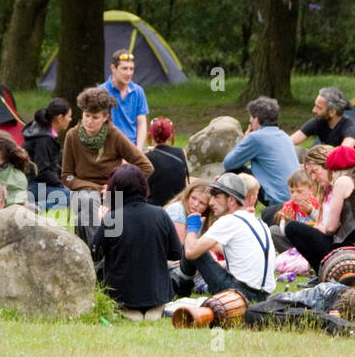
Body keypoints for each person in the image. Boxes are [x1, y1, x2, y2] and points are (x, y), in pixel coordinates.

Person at [61, 87, 154, 242]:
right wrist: (95, 188)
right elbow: (67, 176)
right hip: (83, 190)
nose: (89, 121)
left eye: (95, 117)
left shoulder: (115, 135)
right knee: (88, 200)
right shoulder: (72, 136)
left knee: (106, 208)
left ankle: (103, 252)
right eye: (86, 115)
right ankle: (97, 253)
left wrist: (119, 186)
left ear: (105, 117)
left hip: (112, 191)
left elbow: (146, 167)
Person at [93, 164, 182, 319]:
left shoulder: (112, 218)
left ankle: (131, 312)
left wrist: (101, 221)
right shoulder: (161, 214)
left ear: (115, 189)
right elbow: (176, 253)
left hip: (122, 297)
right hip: (157, 295)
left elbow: (94, 254)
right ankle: (153, 310)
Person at [173, 172, 276, 303]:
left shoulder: (229, 220)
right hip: (263, 296)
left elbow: (191, 252)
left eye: (216, 197)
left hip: (238, 294)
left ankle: (180, 289)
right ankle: (181, 285)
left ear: (231, 200)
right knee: (196, 244)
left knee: (191, 246)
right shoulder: (257, 221)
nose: (211, 202)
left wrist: (192, 226)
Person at [282, 145, 355, 272]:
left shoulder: (343, 181)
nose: (313, 178)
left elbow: (331, 228)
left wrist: (317, 228)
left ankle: (322, 273)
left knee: (292, 227)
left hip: (349, 251)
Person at [223, 96, 300, 209]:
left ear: (256, 119)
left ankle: (239, 209)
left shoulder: (256, 138)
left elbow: (228, 163)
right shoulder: (283, 135)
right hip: (292, 196)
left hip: (275, 199)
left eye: (251, 118)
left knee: (231, 172)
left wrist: (245, 139)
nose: (250, 122)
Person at [23, 97, 73, 209]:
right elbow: (42, 172)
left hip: (35, 184)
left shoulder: (41, 130)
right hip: (33, 186)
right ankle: (37, 207)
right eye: (69, 116)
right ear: (60, 118)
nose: (70, 119)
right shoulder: (44, 139)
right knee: (74, 197)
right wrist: (61, 185)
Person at [290, 87, 355, 151]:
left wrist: (319, 153)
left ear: (332, 112)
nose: (314, 110)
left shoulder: (351, 128)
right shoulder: (318, 122)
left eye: (319, 108)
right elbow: (290, 141)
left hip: (348, 166)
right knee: (298, 151)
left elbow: (344, 151)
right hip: (326, 163)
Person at [100, 48, 148, 146]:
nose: (129, 73)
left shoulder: (138, 91)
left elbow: (142, 123)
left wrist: (138, 150)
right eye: (124, 68)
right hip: (110, 148)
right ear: (113, 68)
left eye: (131, 69)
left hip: (133, 147)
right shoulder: (102, 91)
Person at [145, 117, 188, 207]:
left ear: (150, 135)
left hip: (154, 206)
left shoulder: (146, 158)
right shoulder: (182, 153)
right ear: (171, 136)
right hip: (177, 205)